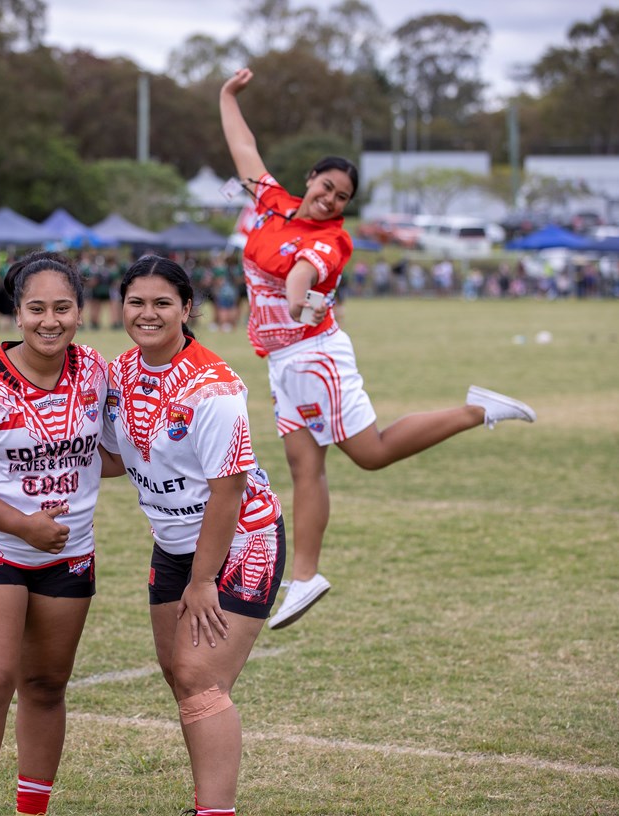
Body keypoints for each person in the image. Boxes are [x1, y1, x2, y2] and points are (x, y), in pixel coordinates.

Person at [220, 67, 536, 630]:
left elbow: (300, 277)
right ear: (310, 179)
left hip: (315, 358)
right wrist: (226, 96)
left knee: (371, 453)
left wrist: (297, 301)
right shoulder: (271, 203)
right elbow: (243, 147)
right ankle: (305, 577)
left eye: (341, 196)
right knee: (304, 468)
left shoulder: (333, 239)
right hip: (283, 363)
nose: (329, 199)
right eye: (325, 187)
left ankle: (476, 410)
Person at [99, 255, 284, 816]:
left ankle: (216, 811)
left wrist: (203, 581)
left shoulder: (214, 387)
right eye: (136, 302)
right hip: (174, 543)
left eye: (162, 303)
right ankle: (207, 800)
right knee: (177, 674)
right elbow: (120, 455)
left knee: (199, 679)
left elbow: (228, 491)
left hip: (240, 540)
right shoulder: (119, 374)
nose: (147, 313)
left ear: (186, 308)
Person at [0, 251, 108, 816]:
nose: (50, 321)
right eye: (37, 309)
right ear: (16, 313)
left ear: (80, 311)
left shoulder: (97, 371)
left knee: (46, 686)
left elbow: (115, 451)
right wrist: (22, 526)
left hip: (69, 553)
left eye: (62, 308)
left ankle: (32, 811)